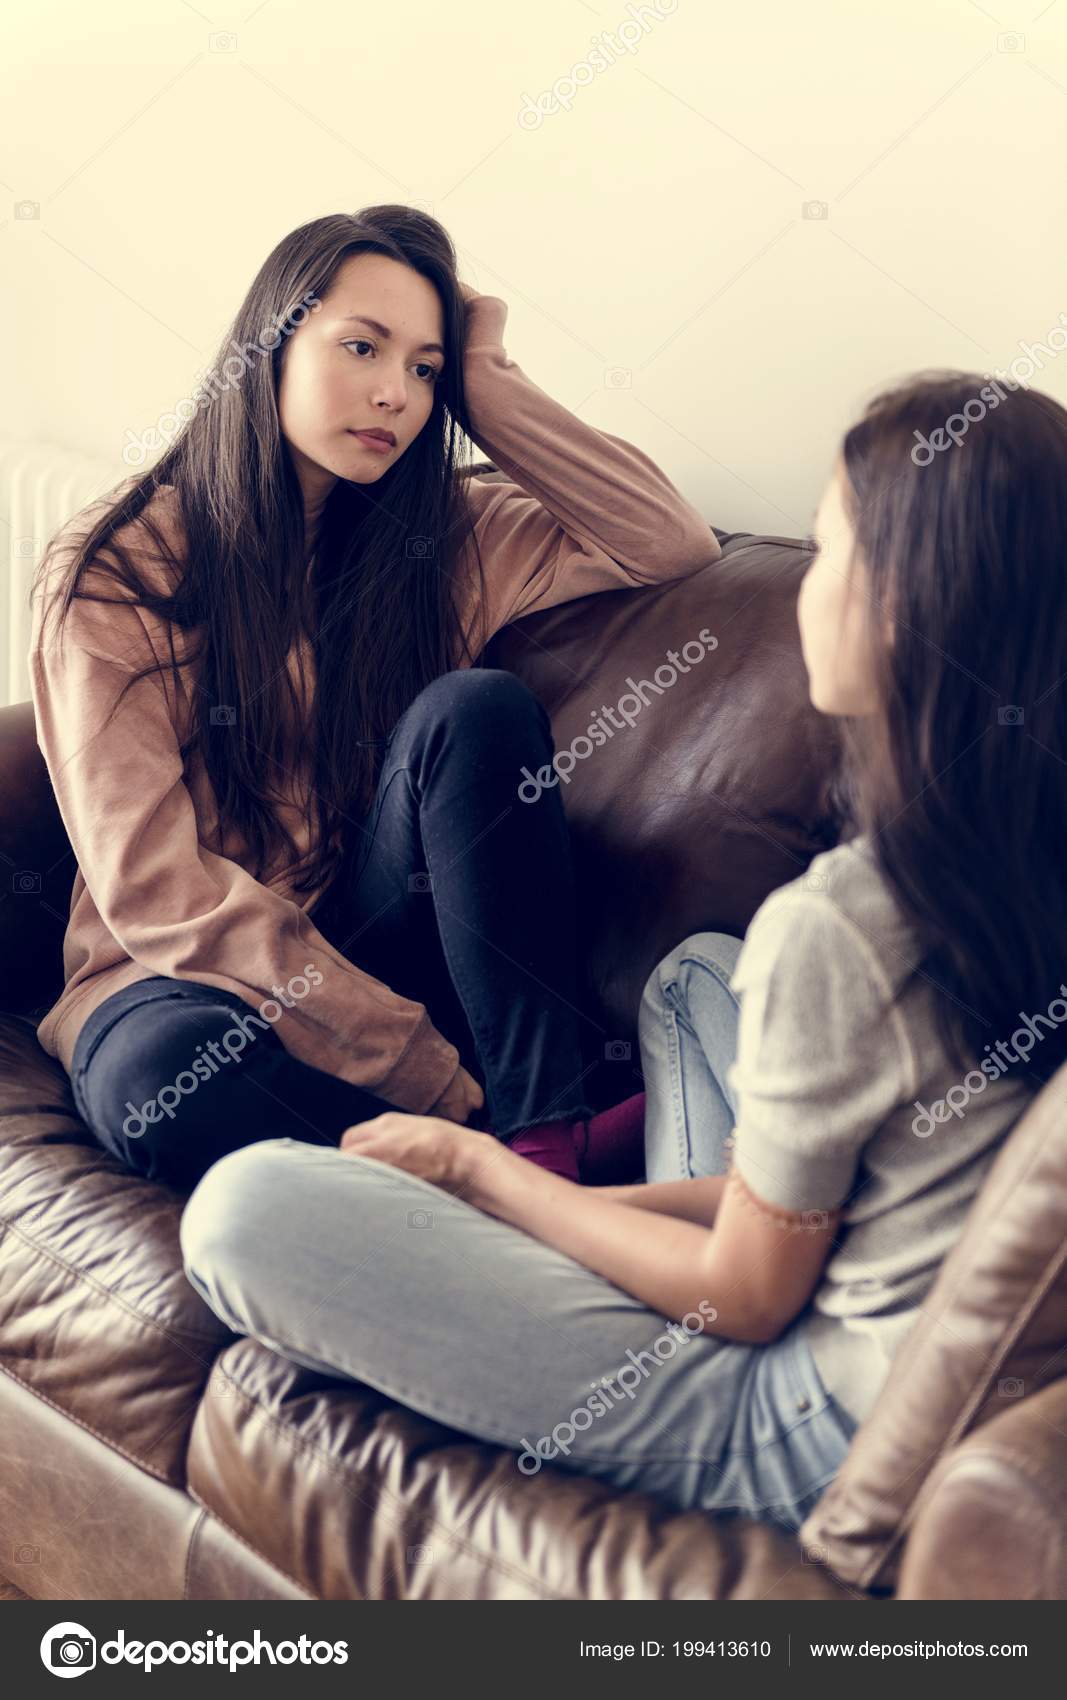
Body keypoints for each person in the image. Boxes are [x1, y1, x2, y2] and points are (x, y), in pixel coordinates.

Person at [180, 371, 1067, 1530]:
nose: (806, 583)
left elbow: (747, 1297)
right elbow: (828, 1205)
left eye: (826, 550)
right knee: (696, 974)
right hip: (854, 1276)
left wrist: (478, 1171)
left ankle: (553, 1165)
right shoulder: (1007, 858)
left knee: (242, 1209)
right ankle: (585, 1172)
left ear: (901, 603)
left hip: (787, 1411)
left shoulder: (847, 922)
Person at [29, 206, 719, 1194]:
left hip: (374, 933)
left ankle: (540, 1140)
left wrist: (486, 381)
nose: (394, 393)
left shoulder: (448, 537)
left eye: (423, 369)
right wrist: (428, 1071)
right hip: (177, 974)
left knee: (473, 712)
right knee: (163, 1078)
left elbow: (667, 539)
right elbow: (153, 890)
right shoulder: (120, 566)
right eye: (361, 346)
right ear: (269, 345)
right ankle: (518, 1182)